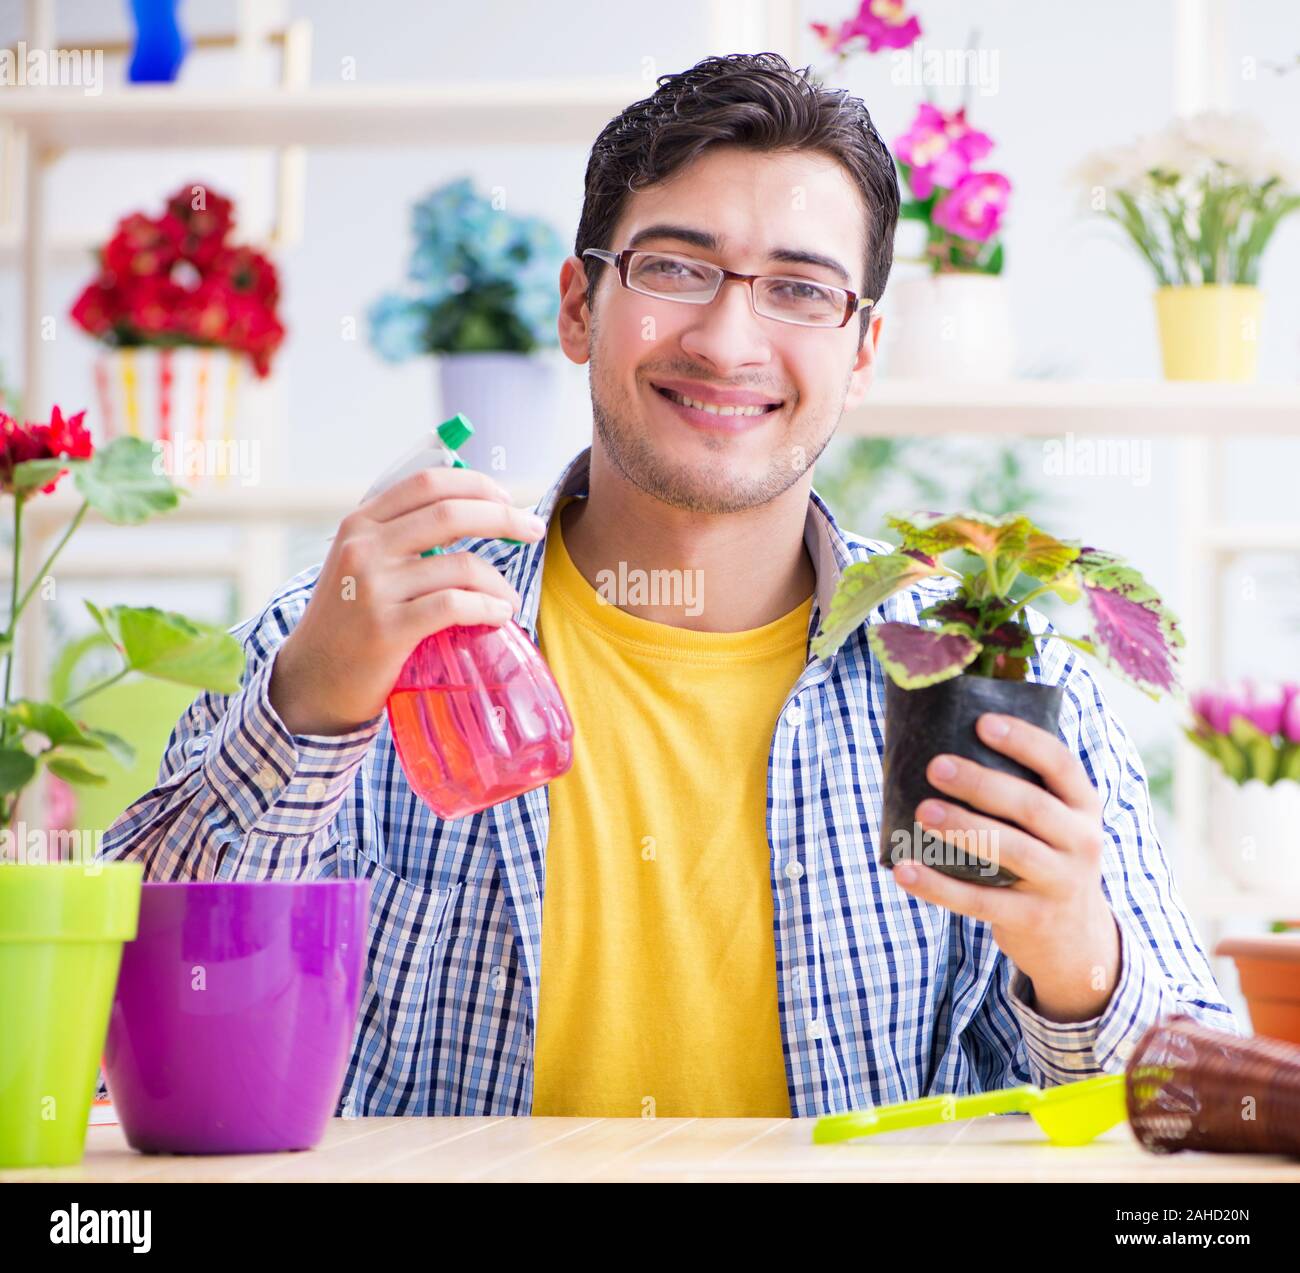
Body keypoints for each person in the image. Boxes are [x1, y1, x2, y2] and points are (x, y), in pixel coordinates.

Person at [99, 52, 1242, 1119]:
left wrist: (1081, 965)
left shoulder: (996, 673)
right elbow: (122, 1016)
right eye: (676, 269)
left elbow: (1196, 1098)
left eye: (799, 289)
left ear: (862, 349)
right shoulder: (346, 635)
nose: (728, 338)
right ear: (577, 305)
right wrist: (309, 711)